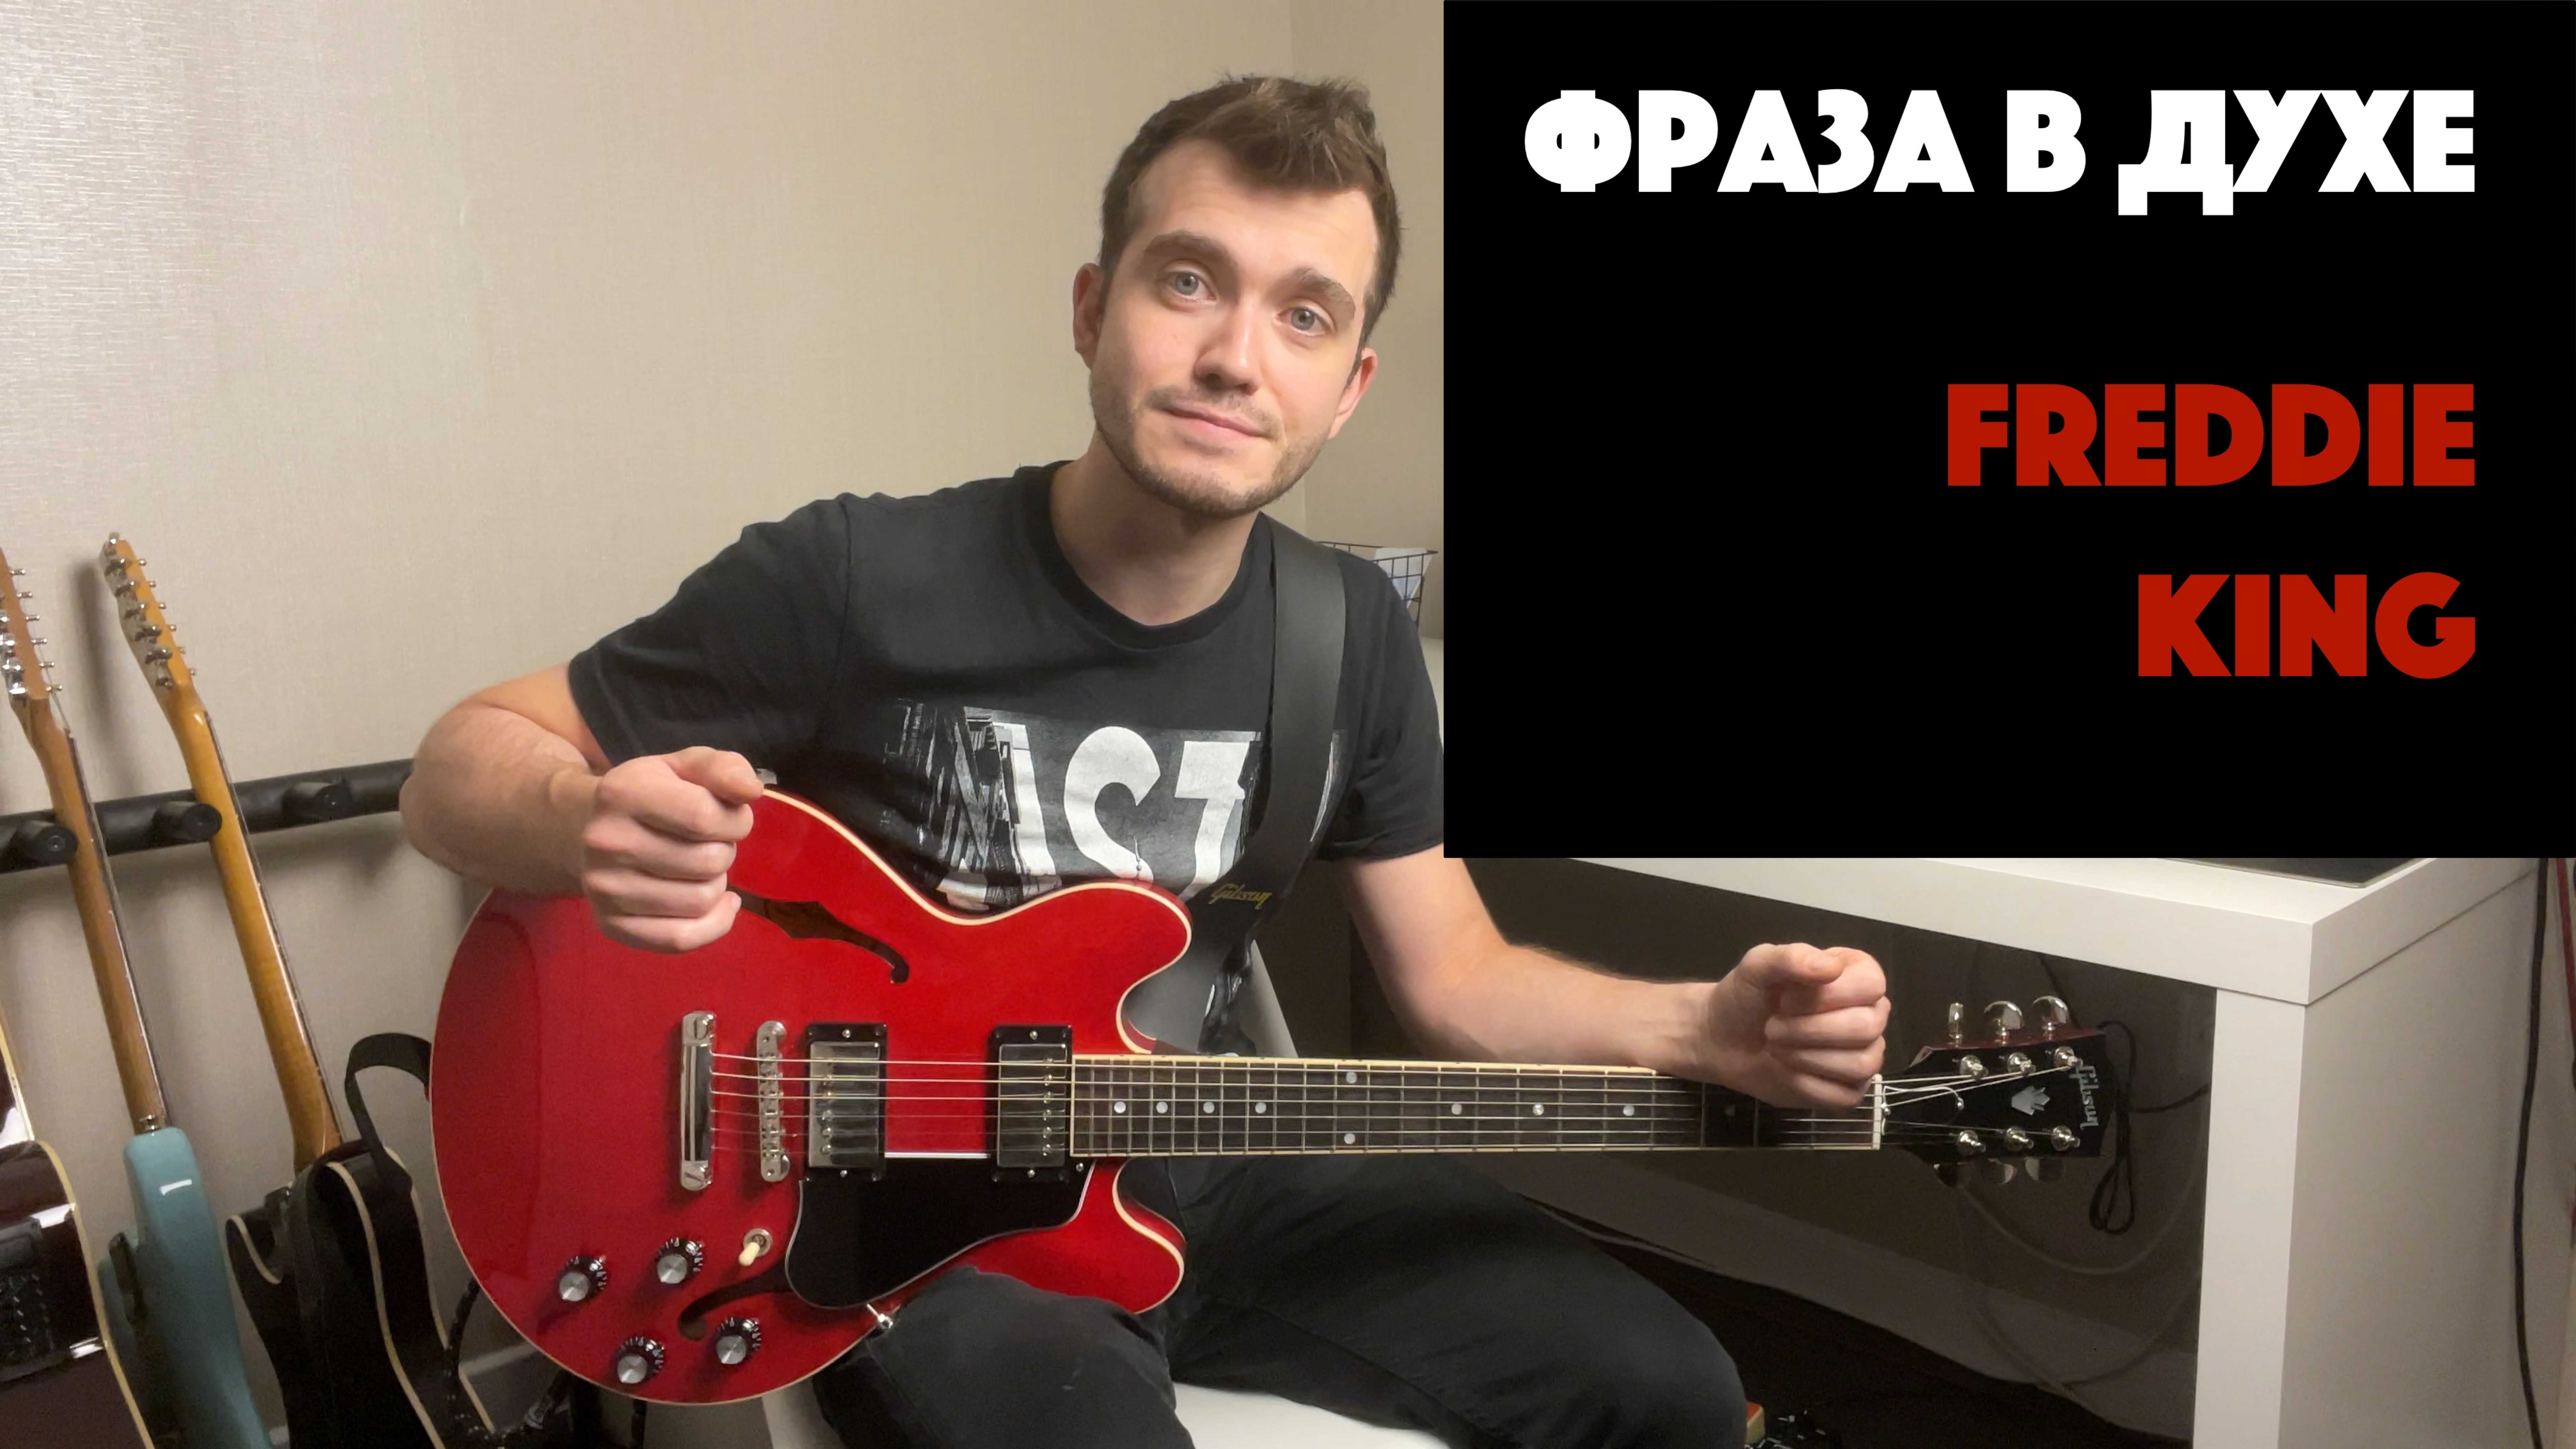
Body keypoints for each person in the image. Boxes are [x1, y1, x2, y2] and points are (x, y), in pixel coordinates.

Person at [399, 74, 1890, 1449]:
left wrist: (1700, 1028)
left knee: (1674, 1392)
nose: (1236, 357)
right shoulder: (856, 574)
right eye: (1189, 281)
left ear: (1350, 383)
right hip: (918, 1223)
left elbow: (1457, 977)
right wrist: (582, 819)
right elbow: (455, 771)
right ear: (1091, 308)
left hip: (1208, 1159)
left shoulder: (1351, 635)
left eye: (1304, 315)